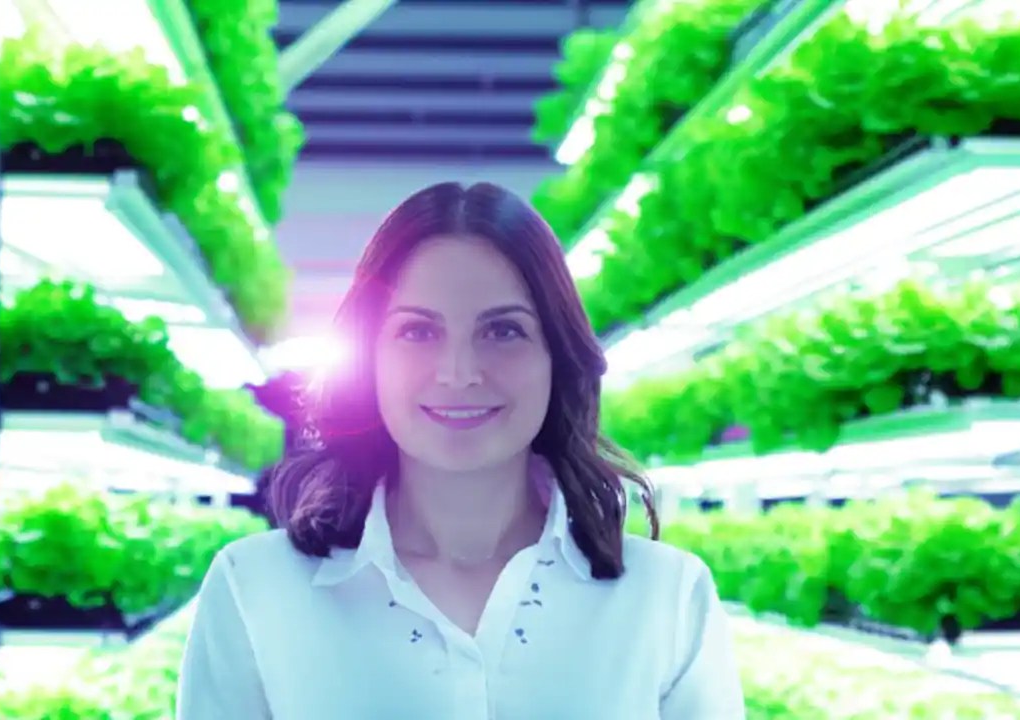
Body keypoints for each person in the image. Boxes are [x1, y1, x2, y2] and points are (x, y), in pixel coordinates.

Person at [176, 182, 744, 719]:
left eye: (503, 331)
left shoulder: (667, 598)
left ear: (558, 356)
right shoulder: (256, 589)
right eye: (418, 332)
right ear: (369, 358)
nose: (459, 372)